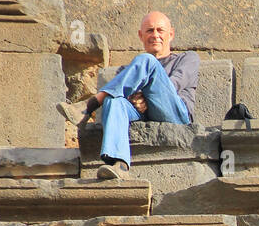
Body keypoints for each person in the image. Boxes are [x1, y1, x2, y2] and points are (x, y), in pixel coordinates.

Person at [58, 10, 200, 179]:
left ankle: (91, 104)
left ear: (171, 34)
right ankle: (119, 164)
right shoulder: (128, 71)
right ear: (141, 35)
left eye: (160, 30)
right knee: (113, 100)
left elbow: (174, 84)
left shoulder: (187, 58)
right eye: (149, 30)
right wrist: (136, 101)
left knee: (147, 61)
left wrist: (145, 96)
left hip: (175, 114)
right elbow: (127, 100)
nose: (155, 35)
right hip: (142, 113)